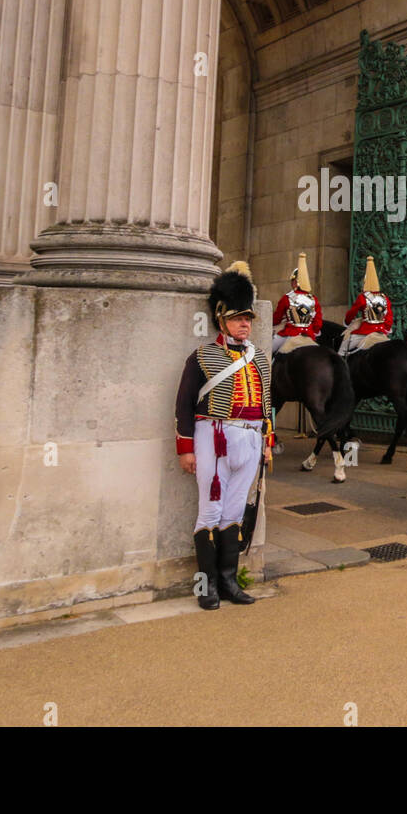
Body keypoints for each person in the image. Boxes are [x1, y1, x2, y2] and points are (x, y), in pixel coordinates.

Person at [174, 261, 273, 610]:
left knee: (234, 511)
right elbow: (184, 404)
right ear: (221, 319)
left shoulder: (260, 358)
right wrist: (186, 448)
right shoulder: (202, 356)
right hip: (213, 436)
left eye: (248, 319)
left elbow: (266, 402)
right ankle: (206, 584)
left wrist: (268, 443)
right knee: (210, 510)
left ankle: (230, 581)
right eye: (237, 318)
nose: (244, 324)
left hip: (250, 438)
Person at [340, 255, 393, 356]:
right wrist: (383, 329)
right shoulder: (385, 298)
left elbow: (352, 313)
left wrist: (347, 322)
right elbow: (389, 319)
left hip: (365, 332)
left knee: (342, 349)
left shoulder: (362, 298)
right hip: (381, 333)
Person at [271, 252, 322, 355]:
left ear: (295, 282)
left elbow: (276, 319)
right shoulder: (313, 299)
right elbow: (318, 324)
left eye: (292, 281)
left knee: (267, 351)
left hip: (290, 334)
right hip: (309, 335)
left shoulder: (287, 298)